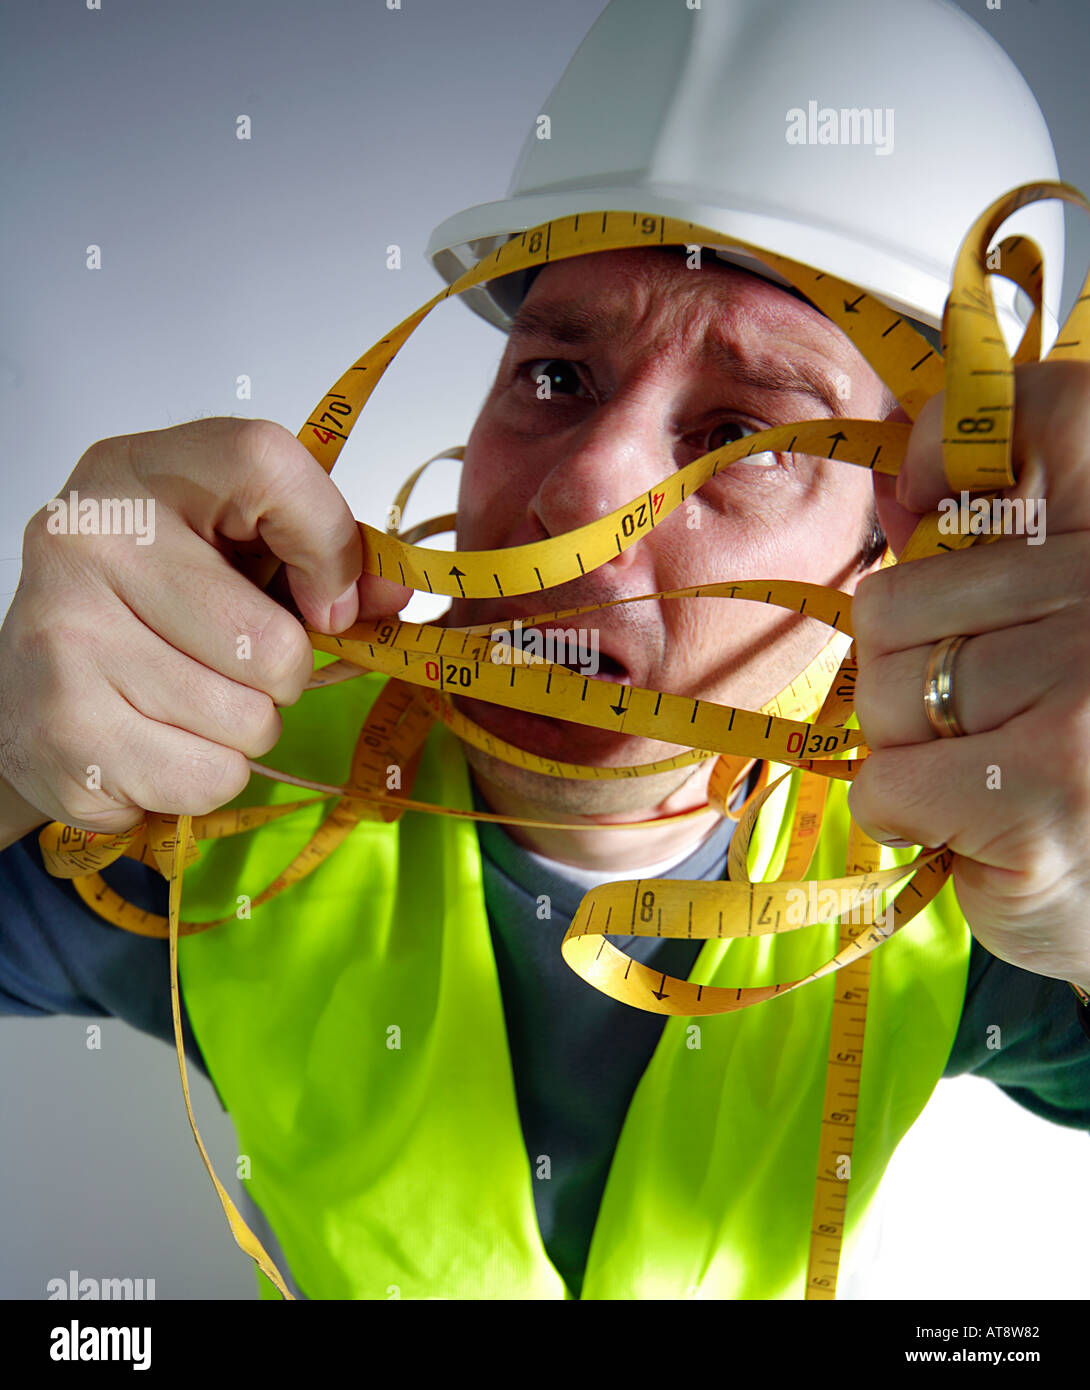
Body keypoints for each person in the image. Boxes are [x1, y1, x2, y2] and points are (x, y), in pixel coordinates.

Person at [1, 0, 1088, 1301]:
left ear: (902, 546)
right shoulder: (205, 796)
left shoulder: (969, 885)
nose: (582, 490)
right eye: (556, 378)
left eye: (744, 431)